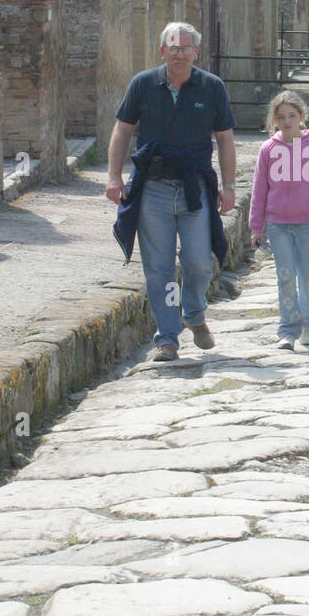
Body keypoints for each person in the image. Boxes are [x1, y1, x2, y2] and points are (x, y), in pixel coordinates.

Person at [106, 22, 236, 362]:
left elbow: (224, 138)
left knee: (197, 261)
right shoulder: (144, 84)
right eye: (173, 48)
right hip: (154, 188)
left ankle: (194, 313)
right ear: (162, 51)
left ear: (196, 52)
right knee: (159, 267)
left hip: (195, 187)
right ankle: (167, 338)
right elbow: (122, 130)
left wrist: (230, 185)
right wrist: (114, 176)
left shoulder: (211, 87)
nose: (180, 53)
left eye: (186, 48)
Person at [250, 90, 309, 351]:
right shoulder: (269, 149)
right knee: (285, 276)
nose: (286, 121)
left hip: (307, 224)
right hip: (277, 225)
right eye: (281, 116)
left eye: (292, 116)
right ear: (274, 119)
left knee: (307, 276)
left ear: (302, 116)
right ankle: (288, 329)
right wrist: (256, 226)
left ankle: (308, 320)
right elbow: (259, 189)